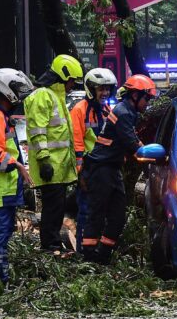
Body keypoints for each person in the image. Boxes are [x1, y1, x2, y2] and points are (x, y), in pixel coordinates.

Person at [78, 74, 157, 264]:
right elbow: (133, 144)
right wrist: (160, 157)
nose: (148, 103)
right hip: (101, 169)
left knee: (118, 216)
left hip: (112, 169)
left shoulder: (129, 112)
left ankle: (103, 255)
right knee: (97, 214)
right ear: (135, 95)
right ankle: (89, 259)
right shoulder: (123, 112)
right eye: (147, 98)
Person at [0, 69, 34, 288]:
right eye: (18, 90)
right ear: (6, 90)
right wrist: (17, 165)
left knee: (2, 237)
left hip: (6, 191)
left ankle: (0, 279)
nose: (20, 95)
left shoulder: (3, 117)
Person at [23, 54, 80, 251]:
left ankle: (53, 244)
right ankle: (50, 246)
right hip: (51, 167)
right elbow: (38, 131)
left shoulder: (56, 97)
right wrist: (44, 160)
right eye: (72, 81)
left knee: (56, 209)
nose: (72, 85)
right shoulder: (43, 96)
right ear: (63, 78)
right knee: (52, 209)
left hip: (59, 168)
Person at [72, 67, 116, 249]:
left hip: (104, 169)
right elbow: (76, 142)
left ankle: (96, 250)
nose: (105, 92)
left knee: (102, 212)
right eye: (101, 89)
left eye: (107, 89)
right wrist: (81, 173)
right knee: (86, 212)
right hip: (89, 170)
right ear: (91, 89)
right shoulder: (79, 110)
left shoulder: (106, 109)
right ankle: (83, 250)